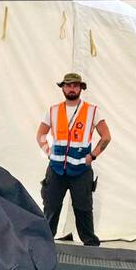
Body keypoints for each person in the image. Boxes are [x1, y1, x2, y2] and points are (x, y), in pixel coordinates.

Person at [36, 72, 111, 245]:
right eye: (68, 85)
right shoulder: (53, 110)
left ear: (81, 88)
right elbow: (40, 134)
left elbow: (106, 136)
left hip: (81, 171)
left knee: (83, 209)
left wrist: (92, 156)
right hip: (56, 169)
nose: (71, 88)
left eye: (75, 85)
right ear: (63, 87)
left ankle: (90, 245)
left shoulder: (92, 111)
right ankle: (44, 244)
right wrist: (48, 151)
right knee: (51, 207)